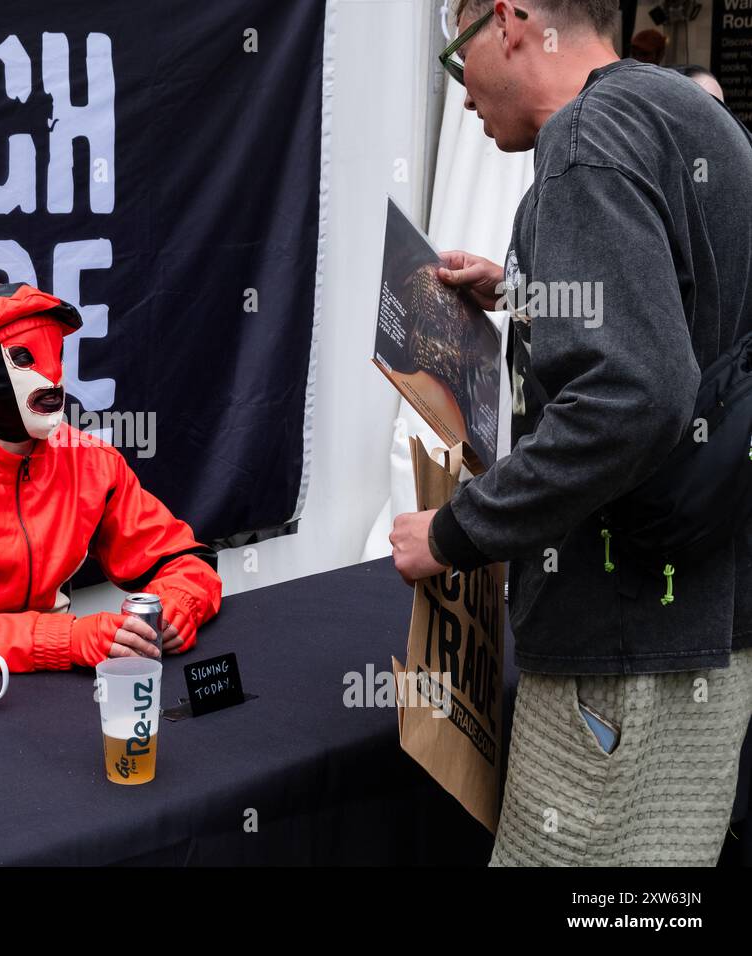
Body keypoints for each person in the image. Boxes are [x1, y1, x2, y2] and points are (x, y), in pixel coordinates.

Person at [391, 0, 752, 865]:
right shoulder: (685, 112)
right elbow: (688, 313)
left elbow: (636, 393)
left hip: (622, 655)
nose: (465, 91)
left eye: (457, 53)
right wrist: (523, 290)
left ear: (510, 20)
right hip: (701, 629)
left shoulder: (585, 142)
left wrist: (456, 529)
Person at [0, 281, 222, 677]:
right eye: (24, 358)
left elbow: (184, 560)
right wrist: (61, 640)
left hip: (54, 692)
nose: (53, 378)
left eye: (58, 355)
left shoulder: (91, 464)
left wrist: (176, 608)